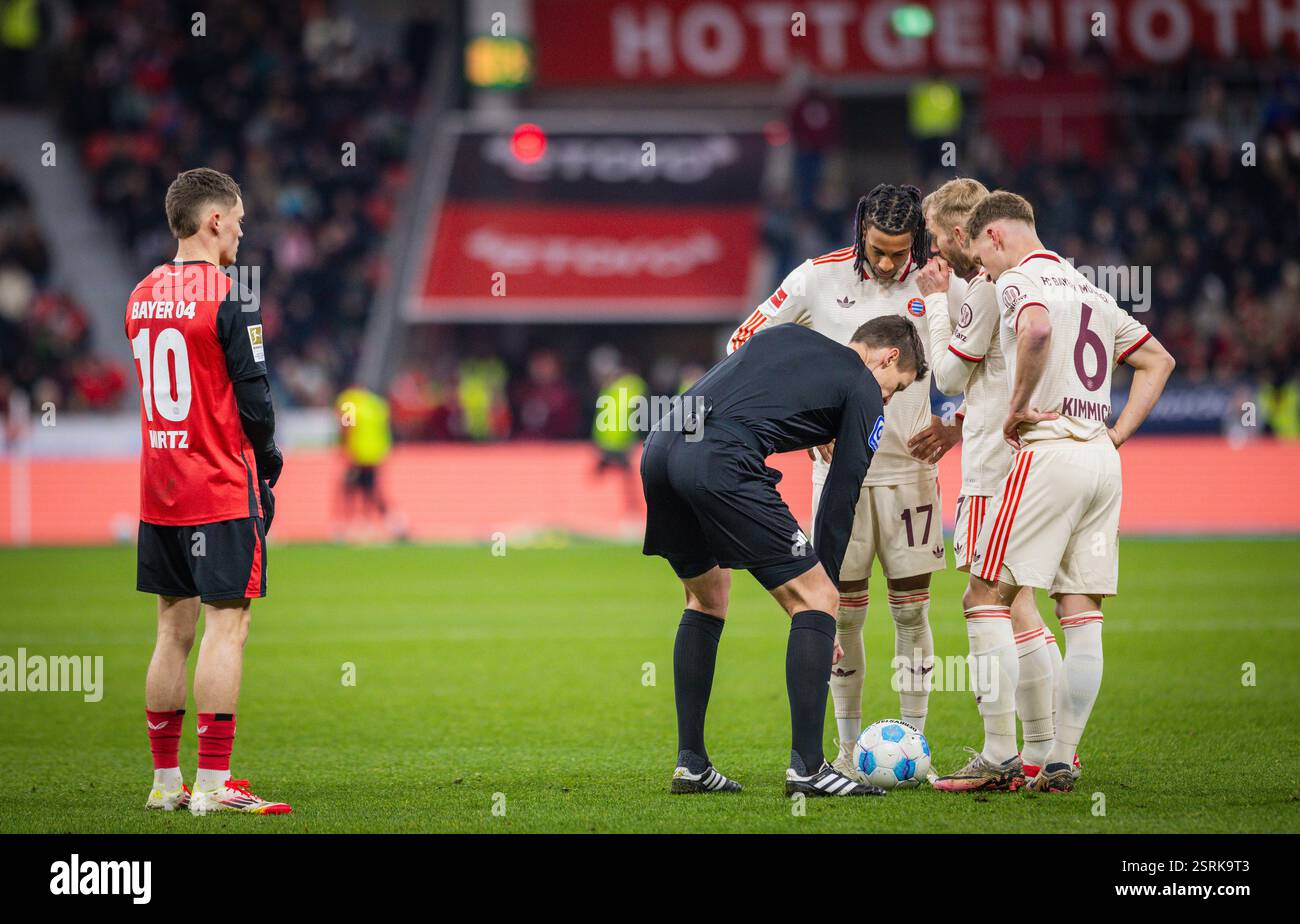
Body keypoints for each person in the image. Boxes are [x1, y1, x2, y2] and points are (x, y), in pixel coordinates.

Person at [933, 191, 1175, 794]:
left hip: (1046, 452)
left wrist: (1016, 410)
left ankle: (998, 755)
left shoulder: (1019, 279)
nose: (985, 275)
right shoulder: (1090, 289)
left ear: (993, 237)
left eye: (984, 259)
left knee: (985, 597)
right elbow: (1158, 361)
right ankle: (1061, 761)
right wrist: (1115, 433)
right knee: (1080, 611)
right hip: (1099, 457)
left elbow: (1035, 328)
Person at [727, 184, 961, 777]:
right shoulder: (815, 278)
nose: (887, 264)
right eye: (878, 251)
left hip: (912, 471)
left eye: (898, 253)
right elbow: (743, 344)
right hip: (838, 479)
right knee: (843, 612)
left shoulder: (939, 283)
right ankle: (845, 753)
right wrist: (805, 428)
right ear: (860, 232)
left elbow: (984, 357)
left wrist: (954, 424)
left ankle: (913, 746)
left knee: (912, 612)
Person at [642, 317, 927, 797]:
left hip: (661, 447)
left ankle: (691, 764)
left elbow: (757, 392)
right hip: (718, 458)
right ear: (888, 357)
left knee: (707, 597)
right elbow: (842, 495)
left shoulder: (784, 336)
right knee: (814, 598)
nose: (887, 401)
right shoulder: (861, 386)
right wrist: (827, 596)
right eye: (894, 390)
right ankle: (809, 770)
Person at [128, 167, 290, 815]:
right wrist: (269, 460)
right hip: (220, 484)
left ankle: (167, 784)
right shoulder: (230, 294)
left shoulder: (140, 295)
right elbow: (254, 400)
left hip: (160, 487)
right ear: (213, 219)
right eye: (239, 218)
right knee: (230, 624)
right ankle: (214, 785)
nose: (244, 230)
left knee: (172, 629)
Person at [917, 178, 1067, 783]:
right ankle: (1050, 750)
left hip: (993, 468)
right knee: (1023, 601)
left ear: (960, 234)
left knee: (984, 603)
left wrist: (931, 305)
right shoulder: (1030, 281)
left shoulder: (984, 286)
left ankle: (1003, 751)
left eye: (935, 238)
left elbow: (951, 374)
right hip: (1034, 458)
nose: (933, 252)